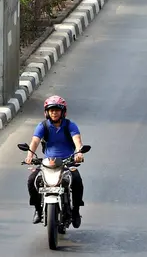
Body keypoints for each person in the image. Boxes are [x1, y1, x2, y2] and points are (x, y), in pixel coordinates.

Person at [23, 95, 86, 227]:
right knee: (32, 180)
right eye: (51, 110)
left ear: (63, 112)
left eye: (57, 110)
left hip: (67, 162)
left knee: (77, 181)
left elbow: (77, 140)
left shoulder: (70, 125)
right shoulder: (43, 126)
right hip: (48, 163)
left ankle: (76, 211)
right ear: (46, 112)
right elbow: (35, 141)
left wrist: (79, 152)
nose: (54, 112)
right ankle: (38, 209)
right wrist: (30, 155)